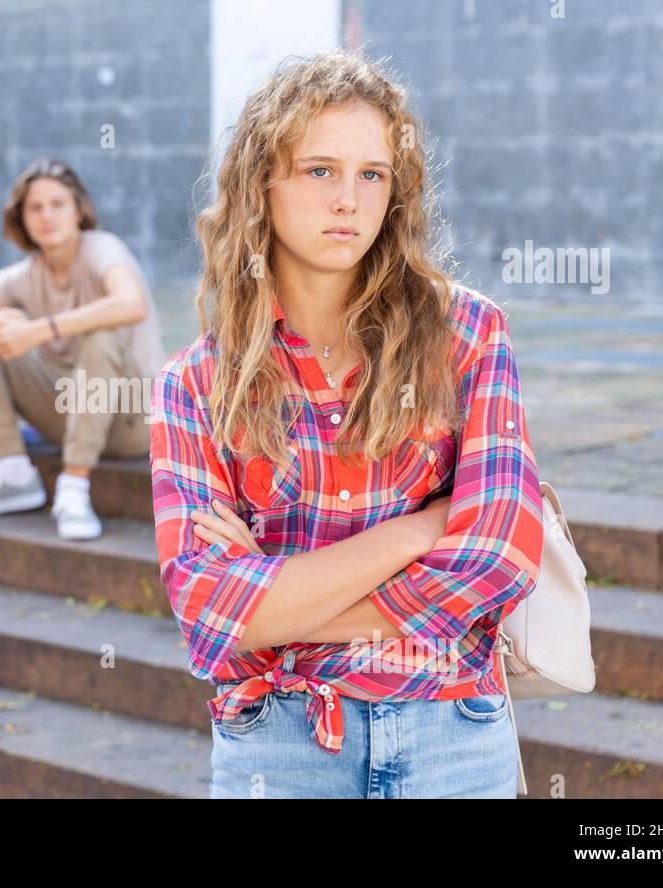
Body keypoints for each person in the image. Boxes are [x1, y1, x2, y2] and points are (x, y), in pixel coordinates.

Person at [148, 50, 545, 798]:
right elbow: (208, 610)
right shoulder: (194, 384)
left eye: (373, 174)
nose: (350, 200)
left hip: (450, 735)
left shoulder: (466, 334)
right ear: (259, 184)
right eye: (319, 170)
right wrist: (421, 530)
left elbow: (497, 556)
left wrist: (278, 607)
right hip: (280, 745)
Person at [0, 158, 166, 541]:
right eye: (35, 207)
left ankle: (74, 487)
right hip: (67, 411)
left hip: (134, 417)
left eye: (57, 204)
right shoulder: (23, 274)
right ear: (22, 218)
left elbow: (131, 303)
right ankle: (13, 474)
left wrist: (37, 330)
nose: (46, 215)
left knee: (100, 337)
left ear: (79, 211)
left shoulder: (102, 248)